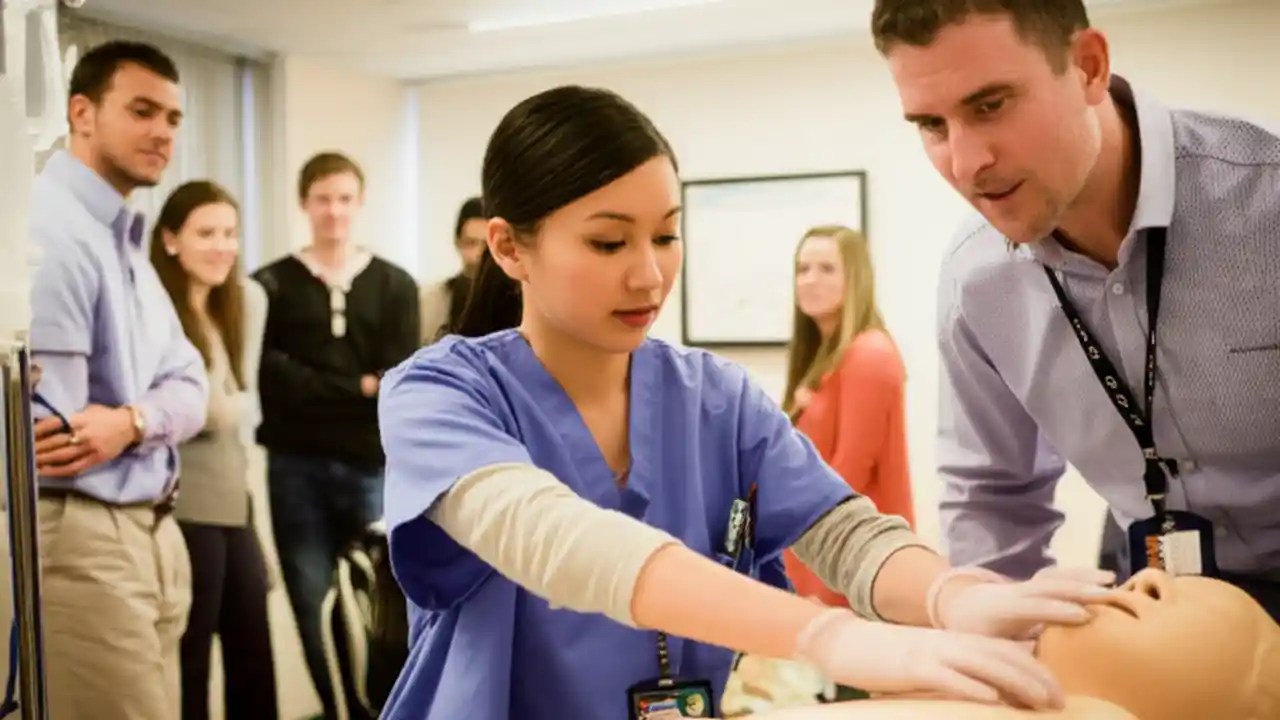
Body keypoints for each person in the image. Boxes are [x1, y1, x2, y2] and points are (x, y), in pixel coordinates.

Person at [375, 84, 1116, 720]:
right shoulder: (440, 395)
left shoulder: (713, 397)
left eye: (666, 236)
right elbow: (559, 542)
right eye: (609, 244)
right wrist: (827, 636)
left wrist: (948, 594)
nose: (649, 277)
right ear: (508, 249)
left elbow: (842, 531)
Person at [871, 0, 1280, 619]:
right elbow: (991, 498)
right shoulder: (975, 281)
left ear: (1088, 66)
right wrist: (1011, 649)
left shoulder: (1266, 200)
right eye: (931, 124)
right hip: (1150, 591)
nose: (965, 163)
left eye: (991, 106)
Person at [27, 41, 207, 720]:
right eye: (141, 111)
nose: (162, 132)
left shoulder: (119, 236)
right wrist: (146, 417)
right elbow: (64, 438)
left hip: (151, 533)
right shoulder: (54, 232)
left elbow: (193, 383)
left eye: (173, 118)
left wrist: (132, 421)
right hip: (86, 535)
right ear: (81, 112)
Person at [252, 150, 420, 719]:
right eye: (322, 199)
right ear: (304, 204)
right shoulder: (270, 285)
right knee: (309, 602)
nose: (334, 211)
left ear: (360, 203)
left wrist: (324, 385)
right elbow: (273, 379)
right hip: (294, 470)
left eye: (345, 198)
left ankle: (383, 710)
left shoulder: (394, 284)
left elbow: (395, 378)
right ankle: (339, 710)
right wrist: (357, 387)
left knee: (381, 603)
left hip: (369, 467)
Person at [150, 180, 278, 719]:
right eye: (207, 233)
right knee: (191, 662)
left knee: (254, 659)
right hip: (183, 508)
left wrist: (228, 408)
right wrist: (227, 408)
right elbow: (206, 412)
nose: (223, 245)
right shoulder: (156, 311)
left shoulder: (242, 301)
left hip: (232, 498)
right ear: (171, 240)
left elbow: (236, 413)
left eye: (230, 233)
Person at [781, 224, 916, 610]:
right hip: (819, 555)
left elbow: (847, 474)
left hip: (848, 562)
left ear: (854, 277)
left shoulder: (868, 353)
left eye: (826, 268)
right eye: (802, 269)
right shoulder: (824, 358)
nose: (810, 280)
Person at [420, 195, 486, 342]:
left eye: (486, 245)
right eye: (471, 243)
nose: (479, 254)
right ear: (457, 243)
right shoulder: (432, 301)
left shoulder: (523, 303)